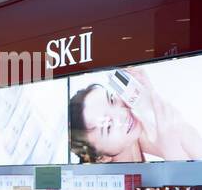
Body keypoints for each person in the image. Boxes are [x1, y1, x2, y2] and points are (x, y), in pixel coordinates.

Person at [69, 67, 202, 162]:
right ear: (101, 157)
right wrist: (171, 149)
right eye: (108, 126)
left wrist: (150, 95)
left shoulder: (144, 133)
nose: (123, 113)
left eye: (112, 100)